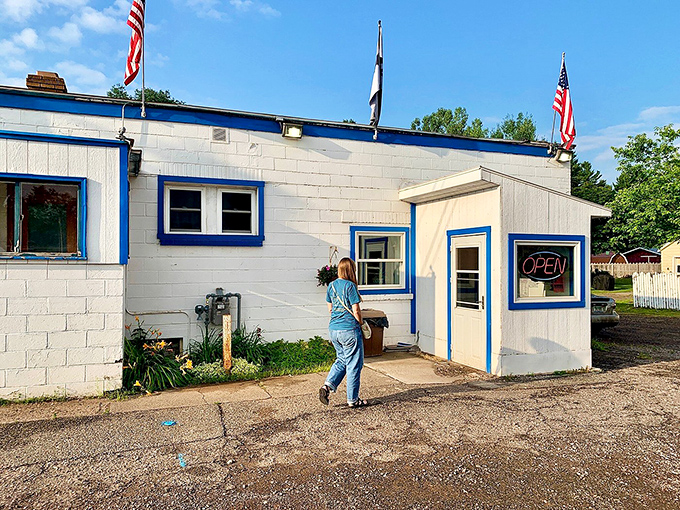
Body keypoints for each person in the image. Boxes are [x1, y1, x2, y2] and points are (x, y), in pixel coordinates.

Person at [319, 257, 368, 408]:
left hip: (334, 329)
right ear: (351, 270)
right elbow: (356, 310)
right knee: (354, 364)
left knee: (342, 360)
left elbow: (330, 308)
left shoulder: (332, 286)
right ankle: (352, 400)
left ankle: (327, 386)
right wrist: (360, 323)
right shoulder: (350, 286)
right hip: (349, 330)